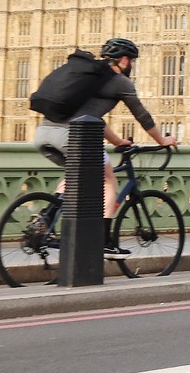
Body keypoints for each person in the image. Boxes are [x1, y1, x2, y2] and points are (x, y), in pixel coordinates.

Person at [28, 38, 175, 252]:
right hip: (72, 137)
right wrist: (162, 140)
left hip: (43, 134)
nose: (132, 65)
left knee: (75, 176)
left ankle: (44, 220)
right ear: (124, 60)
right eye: (132, 61)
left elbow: (92, 117)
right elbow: (142, 115)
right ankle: (104, 240)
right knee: (108, 180)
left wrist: (117, 141)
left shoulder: (89, 78)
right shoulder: (120, 82)